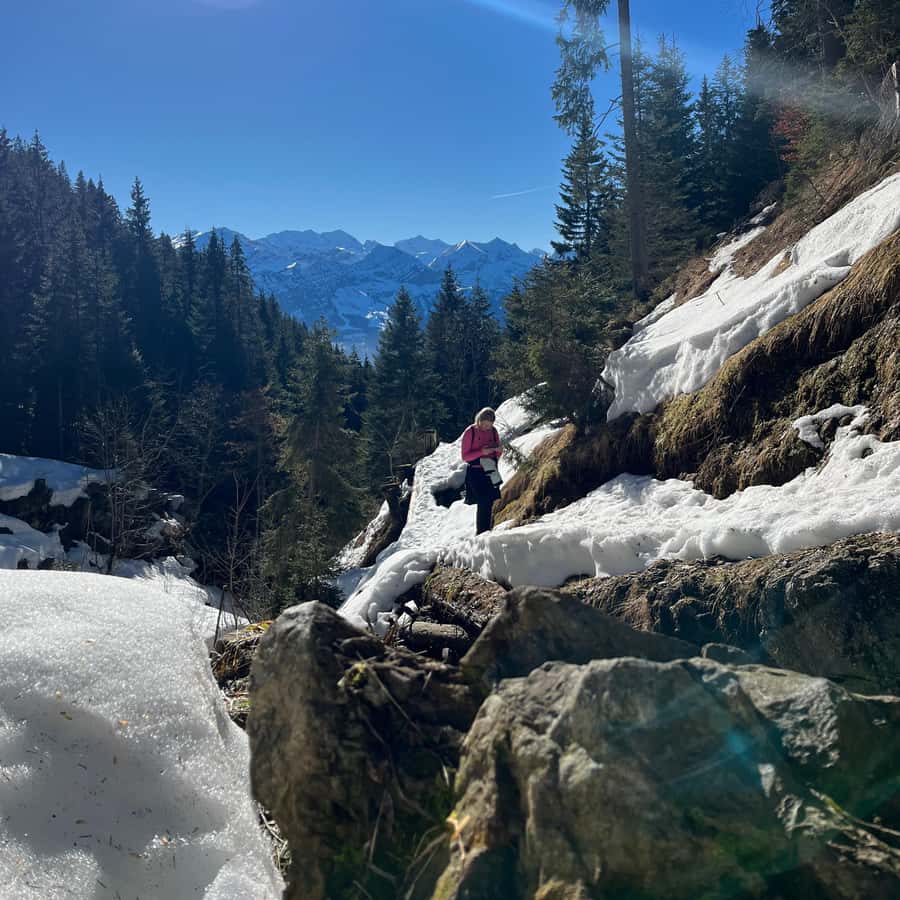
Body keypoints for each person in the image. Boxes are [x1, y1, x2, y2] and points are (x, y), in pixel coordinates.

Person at [461, 407, 502, 535]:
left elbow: (498, 452)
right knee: (483, 500)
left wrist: (497, 450)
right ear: (479, 421)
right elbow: (465, 456)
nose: (486, 428)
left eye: (489, 426)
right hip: (476, 471)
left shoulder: (494, 432)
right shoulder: (470, 432)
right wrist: (481, 452)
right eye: (484, 425)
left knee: (489, 501)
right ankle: (481, 533)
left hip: (490, 470)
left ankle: (487, 531)